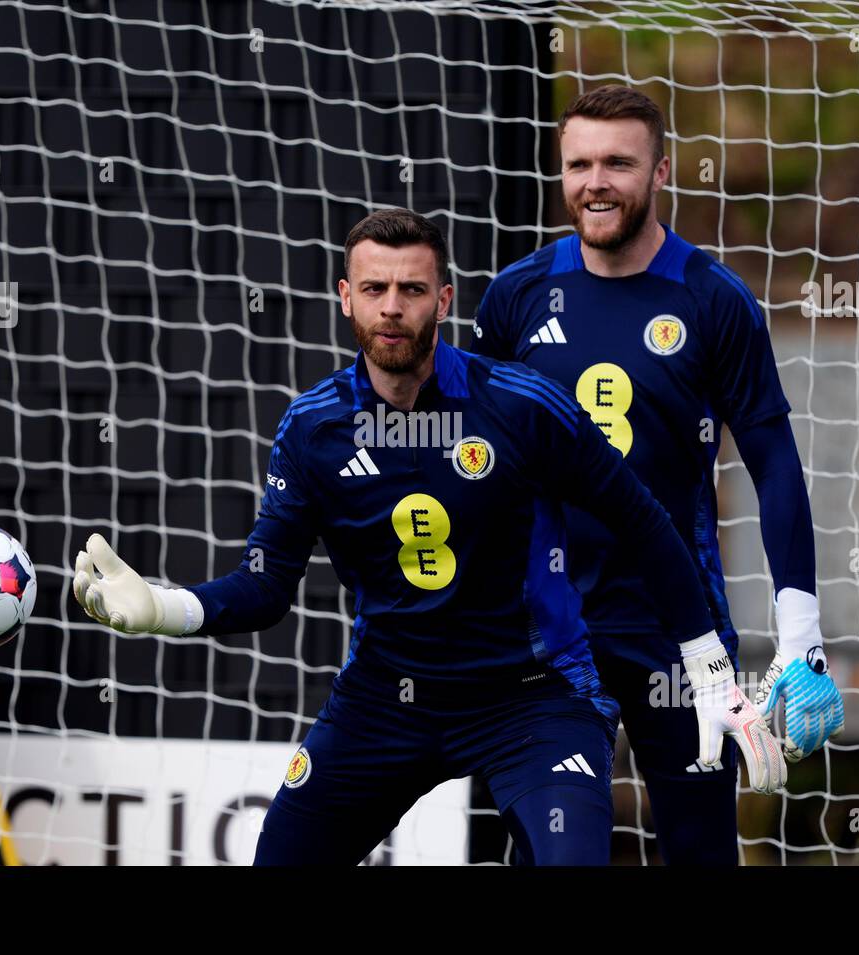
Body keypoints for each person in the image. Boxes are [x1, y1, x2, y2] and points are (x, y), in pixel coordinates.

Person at [72, 208, 783, 866]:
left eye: (411, 289)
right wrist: (164, 608)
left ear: (443, 302)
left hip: (534, 698)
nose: (391, 307)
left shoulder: (521, 405)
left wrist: (709, 669)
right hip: (388, 695)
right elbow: (263, 587)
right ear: (345, 297)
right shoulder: (313, 429)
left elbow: (643, 520)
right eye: (374, 288)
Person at [470, 85, 843, 865]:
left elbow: (775, 462)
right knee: (547, 849)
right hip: (551, 630)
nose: (595, 181)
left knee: (700, 848)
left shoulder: (713, 300)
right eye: (579, 163)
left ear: (662, 170)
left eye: (618, 163)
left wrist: (801, 634)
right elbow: (481, 468)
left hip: (682, 638)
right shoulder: (515, 297)